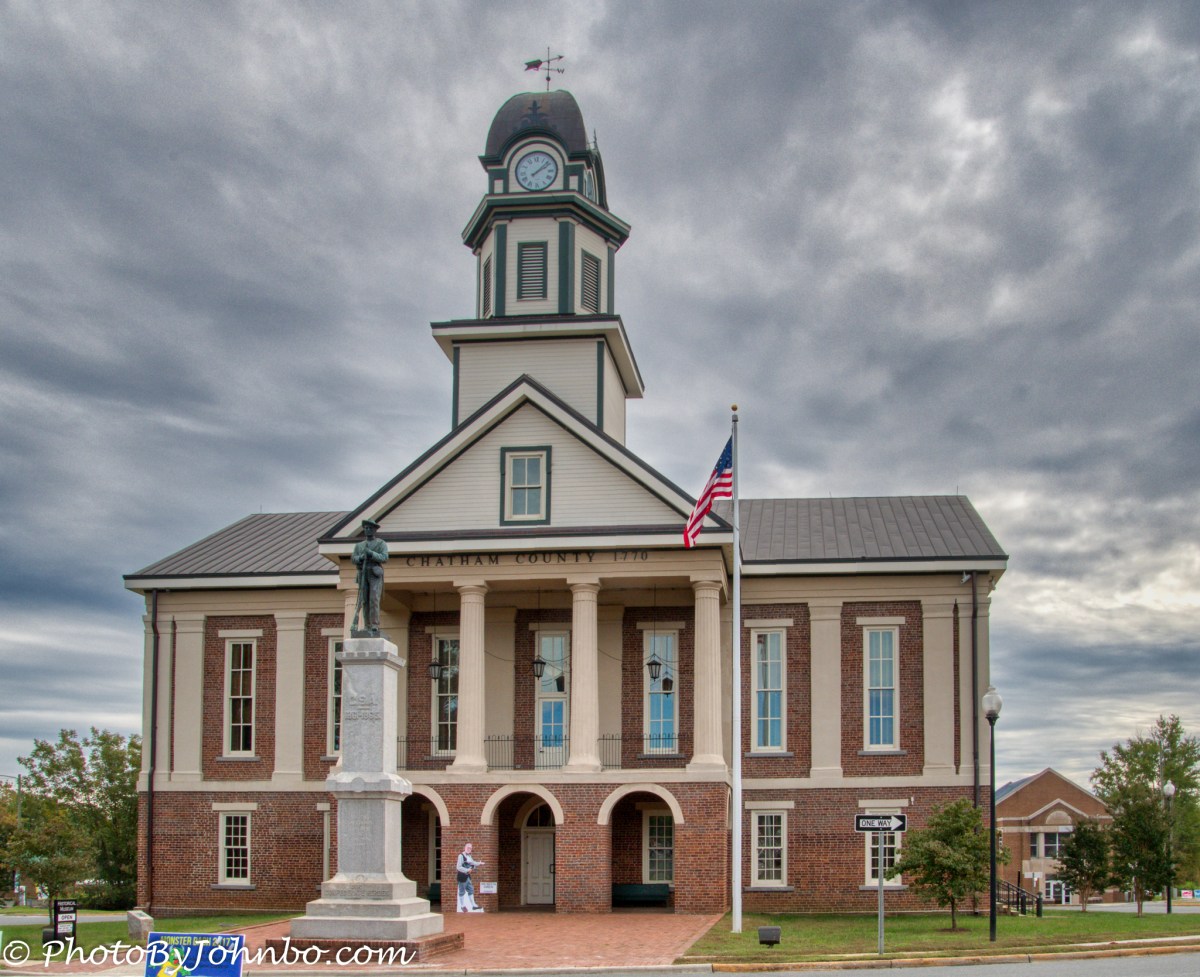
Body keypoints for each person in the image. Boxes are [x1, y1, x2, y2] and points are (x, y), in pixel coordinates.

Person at [351, 519, 388, 636]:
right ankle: (366, 625)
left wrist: (371, 554)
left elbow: (384, 557)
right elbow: (353, 559)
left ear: (375, 529)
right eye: (366, 528)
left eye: (370, 528)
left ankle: (374, 625)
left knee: (374, 599)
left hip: (374, 573)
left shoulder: (380, 543)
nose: (367, 530)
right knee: (364, 600)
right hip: (363, 573)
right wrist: (361, 557)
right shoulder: (359, 546)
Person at [456, 842, 484, 912]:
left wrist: (479, 863)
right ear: (465, 848)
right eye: (468, 848)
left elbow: (472, 862)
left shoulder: (469, 856)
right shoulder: (461, 856)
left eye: (470, 848)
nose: (469, 849)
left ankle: (473, 905)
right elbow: (458, 867)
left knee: (471, 889)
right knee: (462, 891)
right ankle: (462, 906)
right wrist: (467, 870)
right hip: (462, 876)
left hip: (468, 876)